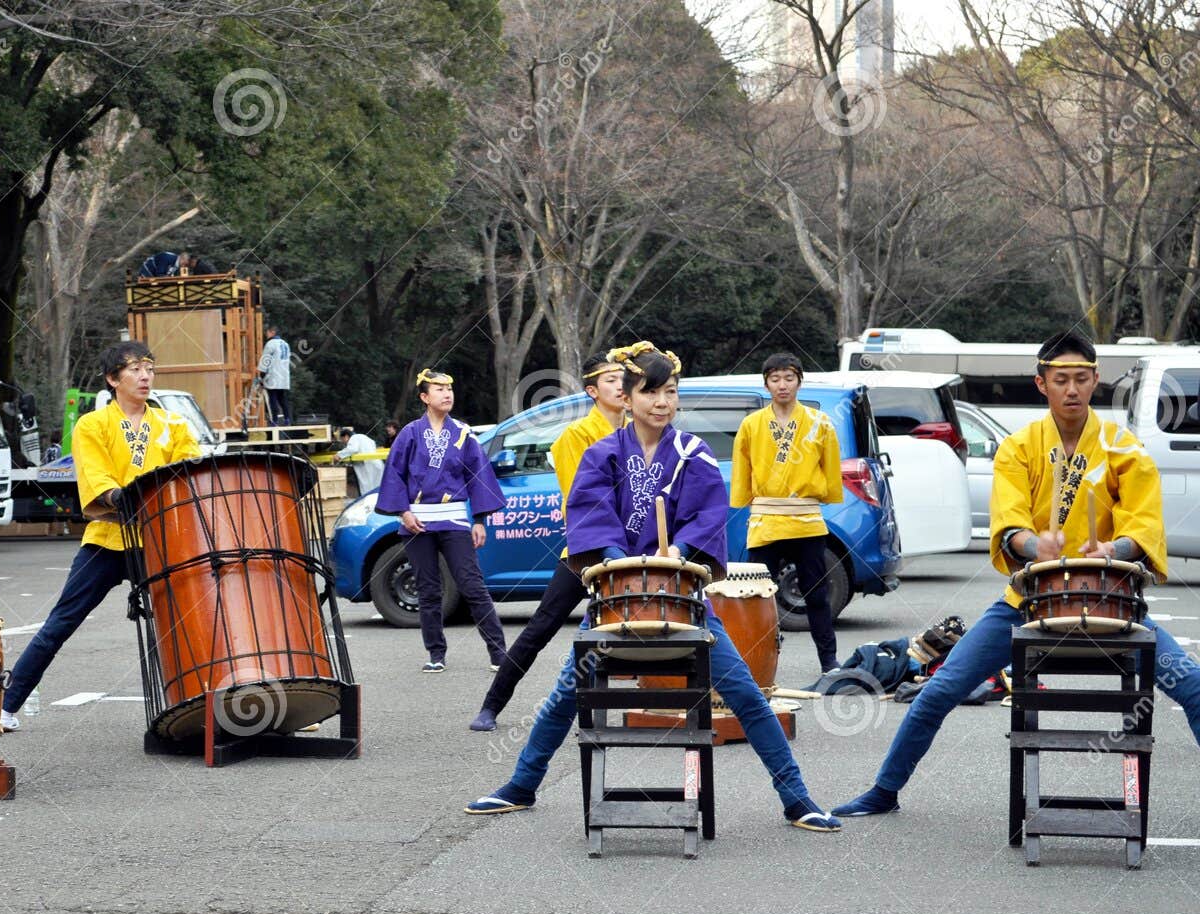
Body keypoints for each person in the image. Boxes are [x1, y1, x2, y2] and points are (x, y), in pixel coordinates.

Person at [464, 344, 842, 832]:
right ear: (626, 396)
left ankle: (797, 799)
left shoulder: (692, 454)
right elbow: (589, 515)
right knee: (565, 694)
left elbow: (709, 516)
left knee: (746, 694)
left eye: (671, 392)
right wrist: (618, 561)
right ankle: (521, 785)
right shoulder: (602, 454)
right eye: (651, 392)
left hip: (684, 602)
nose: (663, 402)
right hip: (613, 604)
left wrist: (680, 551)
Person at [833, 330, 1200, 816]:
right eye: (1061, 379)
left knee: (1192, 684)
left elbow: (1144, 526)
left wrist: (1115, 546)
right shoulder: (1020, 447)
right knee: (939, 690)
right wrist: (1032, 544)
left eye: (1082, 379)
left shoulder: (1122, 447)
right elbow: (1009, 527)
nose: (1072, 389)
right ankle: (885, 790)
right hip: (1028, 605)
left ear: (1096, 382)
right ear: (1041, 383)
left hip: (1110, 602)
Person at [0, 341, 200, 731]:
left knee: (183, 622)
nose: (145, 375)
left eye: (149, 367)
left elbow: (189, 470)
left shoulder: (173, 424)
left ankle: (197, 704)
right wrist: (125, 496)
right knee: (61, 622)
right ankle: (6, 705)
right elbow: (98, 482)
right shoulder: (93, 425)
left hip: (158, 540)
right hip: (108, 540)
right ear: (112, 379)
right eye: (134, 368)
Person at [468, 353, 628, 732]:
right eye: (610, 380)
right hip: (587, 547)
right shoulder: (576, 435)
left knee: (638, 631)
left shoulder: (639, 432)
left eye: (624, 378)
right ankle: (492, 705)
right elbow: (581, 497)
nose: (620, 385)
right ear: (592, 391)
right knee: (541, 627)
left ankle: (655, 707)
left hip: (635, 549)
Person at [376, 369, 508, 673]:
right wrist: (403, 512)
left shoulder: (463, 432)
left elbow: (479, 475)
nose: (447, 393)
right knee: (429, 588)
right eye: (438, 389)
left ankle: (499, 652)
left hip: (454, 519)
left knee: (472, 585)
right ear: (425, 397)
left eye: (449, 388)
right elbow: (395, 474)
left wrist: (480, 520)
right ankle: (435, 653)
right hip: (417, 521)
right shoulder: (409, 433)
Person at [730, 351, 842, 674]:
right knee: (756, 596)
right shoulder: (751, 425)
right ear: (766, 384)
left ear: (799, 382)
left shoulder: (820, 423)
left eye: (789, 378)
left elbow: (831, 470)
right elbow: (742, 473)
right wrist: (743, 498)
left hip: (806, 520)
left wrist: (828, 494)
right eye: (775, 378)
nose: (782, 385)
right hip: (765, 520)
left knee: (817, 594)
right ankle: (755, 662)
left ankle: (829, 661)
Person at [256, 324, 292, 426]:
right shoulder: (285, 344)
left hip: (273, 375)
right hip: (283, 375)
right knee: (282, 398)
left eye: (267, 332)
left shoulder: (271, 344)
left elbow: (265, 360)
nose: (266, 334)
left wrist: (262, 375)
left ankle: (275, 420)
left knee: (273, 398)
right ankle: (287, 419)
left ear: (273, 332)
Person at [334, 426, 383, 494]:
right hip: (377, 465)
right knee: (376, 491)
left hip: (368, 467)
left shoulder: (354, 438)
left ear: (346, 436)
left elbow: (352, 449)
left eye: (342, 439)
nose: (343, 442)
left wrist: (339, 455)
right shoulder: (363, 437)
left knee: (367, 491)